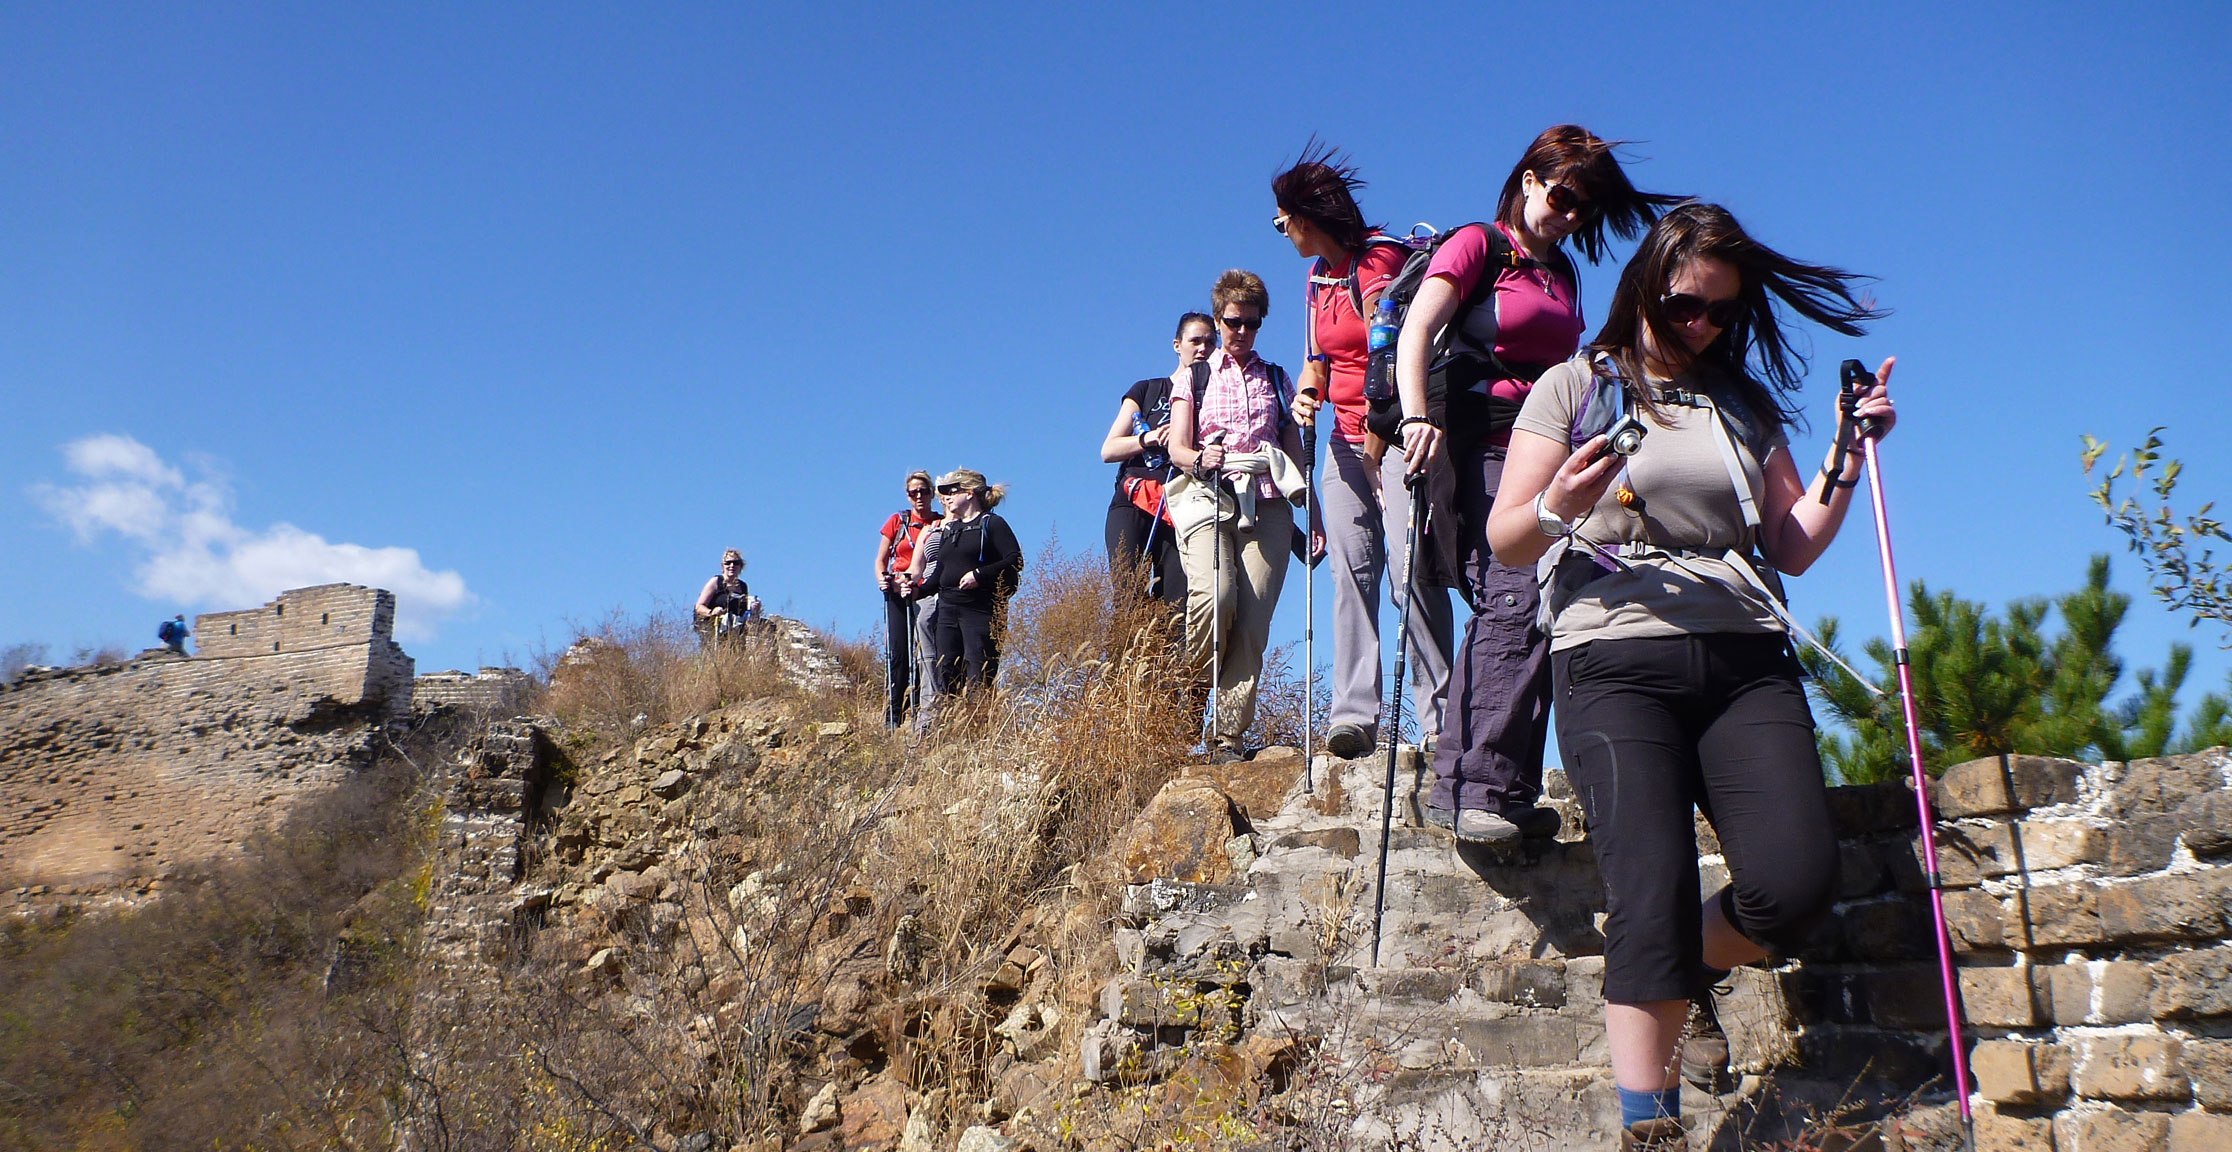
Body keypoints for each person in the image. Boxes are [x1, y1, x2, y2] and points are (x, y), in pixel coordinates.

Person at [1485, 201, 1892, 1150]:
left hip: (1747, 656)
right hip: (1611, 656)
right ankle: (1653, 1130)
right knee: (1650, 894)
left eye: (1722, 312)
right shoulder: (1573, 387)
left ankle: (1681, 969)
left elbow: (1790, 545)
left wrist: (1848, 454)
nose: (1702, 327)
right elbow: (1509, 540)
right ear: (1642, 292)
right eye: (1683, 308)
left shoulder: (1741, 404)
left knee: (1792, 886)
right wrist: (1556, 503)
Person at [1389, 126, 1679, 846]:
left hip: (1549, 452)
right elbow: (1416, 329)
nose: (1571, 215)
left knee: (1537, 602)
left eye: (1585, 207)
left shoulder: (1565, 273)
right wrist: (1416, 415)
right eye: (1562, 196)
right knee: (1512, 593)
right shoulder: (1476, 245)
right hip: (1479, 442)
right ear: (1526, 180)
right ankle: (1481, 788)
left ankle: (1477, 784)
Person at [1275, 142, 1449, 763]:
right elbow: (1318, 355)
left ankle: (1440, 715)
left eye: (1281, 221)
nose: (1280, 232)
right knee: (1351, 570)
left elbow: (1394, 348)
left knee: (1411, 571)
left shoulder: (1381, 263)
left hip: (1399, 438)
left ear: (1306, 216)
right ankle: (1354, 716)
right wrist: (1306, 390)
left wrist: (1385, 422)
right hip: (1342, 445)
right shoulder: (1316, 276)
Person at [1167, 270, 1310, 763]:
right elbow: (1177, 446)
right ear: (1218, 319)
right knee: (1216, 596)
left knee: (1253, 624)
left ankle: (1227, 738)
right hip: (1208, 493)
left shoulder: (1276, 376)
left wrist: (1309, 511)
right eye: (1233, 322)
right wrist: (1199, 459)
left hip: (1268, 501)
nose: (1243, 332)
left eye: (1253, 323)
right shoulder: (1195, 376)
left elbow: (1292, 448)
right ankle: (1186, 708)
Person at [1100, 313, 1215, 608]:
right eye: (1195, 341)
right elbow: (1108, 450)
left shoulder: (1215, 399)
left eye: (1210, 342)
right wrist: (1147, 439)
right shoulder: (1147, 390)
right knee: (1128, 595)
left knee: (1177, 602)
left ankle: (1169, 655)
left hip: (1182, 505)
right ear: (1177, 345)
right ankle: (1127, 654)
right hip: (1134, 498)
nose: (1203, 348)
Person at [926, 469, 1022, 694]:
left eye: (952, 490)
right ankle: (953, 725)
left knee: (980, 672)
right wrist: (912, 589)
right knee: (947, 671)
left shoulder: (993, 524)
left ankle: (978, 724)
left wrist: (979, 575)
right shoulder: (950, 530)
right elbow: (938, 575)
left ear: (970, 493)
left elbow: (1014, 559)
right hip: (948, 609)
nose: (947, 496)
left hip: (980, 610)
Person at [876, 471, 943, 726]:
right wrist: (883, 579)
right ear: (907, 495)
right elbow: (881, 559)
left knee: (926, 653)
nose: (919, 497)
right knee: (899, 652)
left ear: (932, 494)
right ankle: (894, 714)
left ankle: (920, 710)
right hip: (897, 593)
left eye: (924, 491)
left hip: (927, 592)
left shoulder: (939, 523)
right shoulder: (897, 521)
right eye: (913, 492)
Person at [694, 550, 760, 643]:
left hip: (736, 633)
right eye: (728, 563)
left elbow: (743, 611)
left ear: (741, 566)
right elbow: (699, 606)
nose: (732, 566)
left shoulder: (743, 586)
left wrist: (753, 609)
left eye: (736, 563)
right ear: (723, 566)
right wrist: (711, 612)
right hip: (714, 631)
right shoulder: (716, 582)